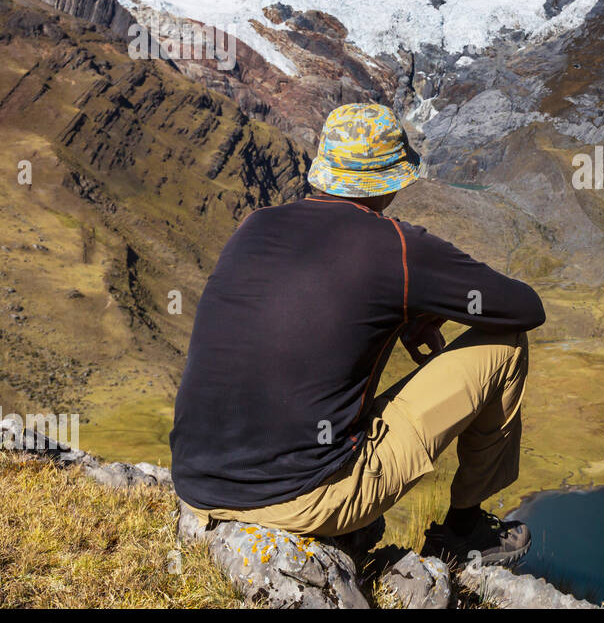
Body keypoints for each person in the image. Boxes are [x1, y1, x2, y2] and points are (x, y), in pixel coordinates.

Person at [170, 102, 544, 566]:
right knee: (506, 346)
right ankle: (465, 531)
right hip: (304, 500)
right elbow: (524, 309)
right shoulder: (398, 246)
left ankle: (356, 523)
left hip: (195, 485)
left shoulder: (254, 225)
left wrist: (406, 314)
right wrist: (424, 305)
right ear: (391, 182)